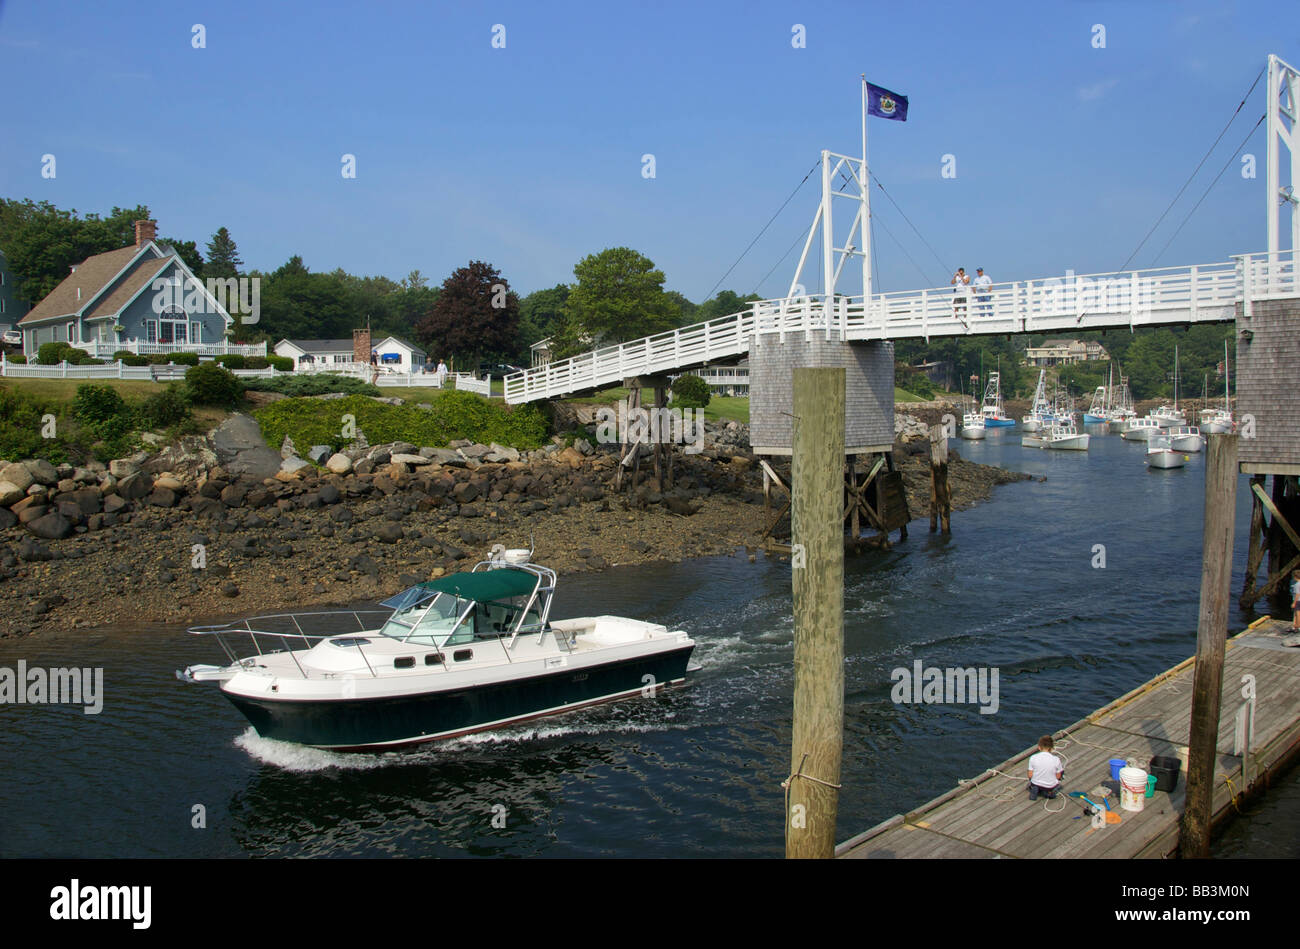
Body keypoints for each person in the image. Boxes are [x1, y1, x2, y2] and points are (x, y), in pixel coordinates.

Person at [1026, 735, 1064, 800]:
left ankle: (1035, 790)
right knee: (1059, 786)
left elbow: (1030, 775)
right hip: (1050, 786)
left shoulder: (1033, 758)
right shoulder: (1056, 759)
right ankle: (1048, 793)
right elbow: (1058, 777)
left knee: (1030, 784)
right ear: (1052, 748)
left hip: (1035, 783)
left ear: (1039, 747)